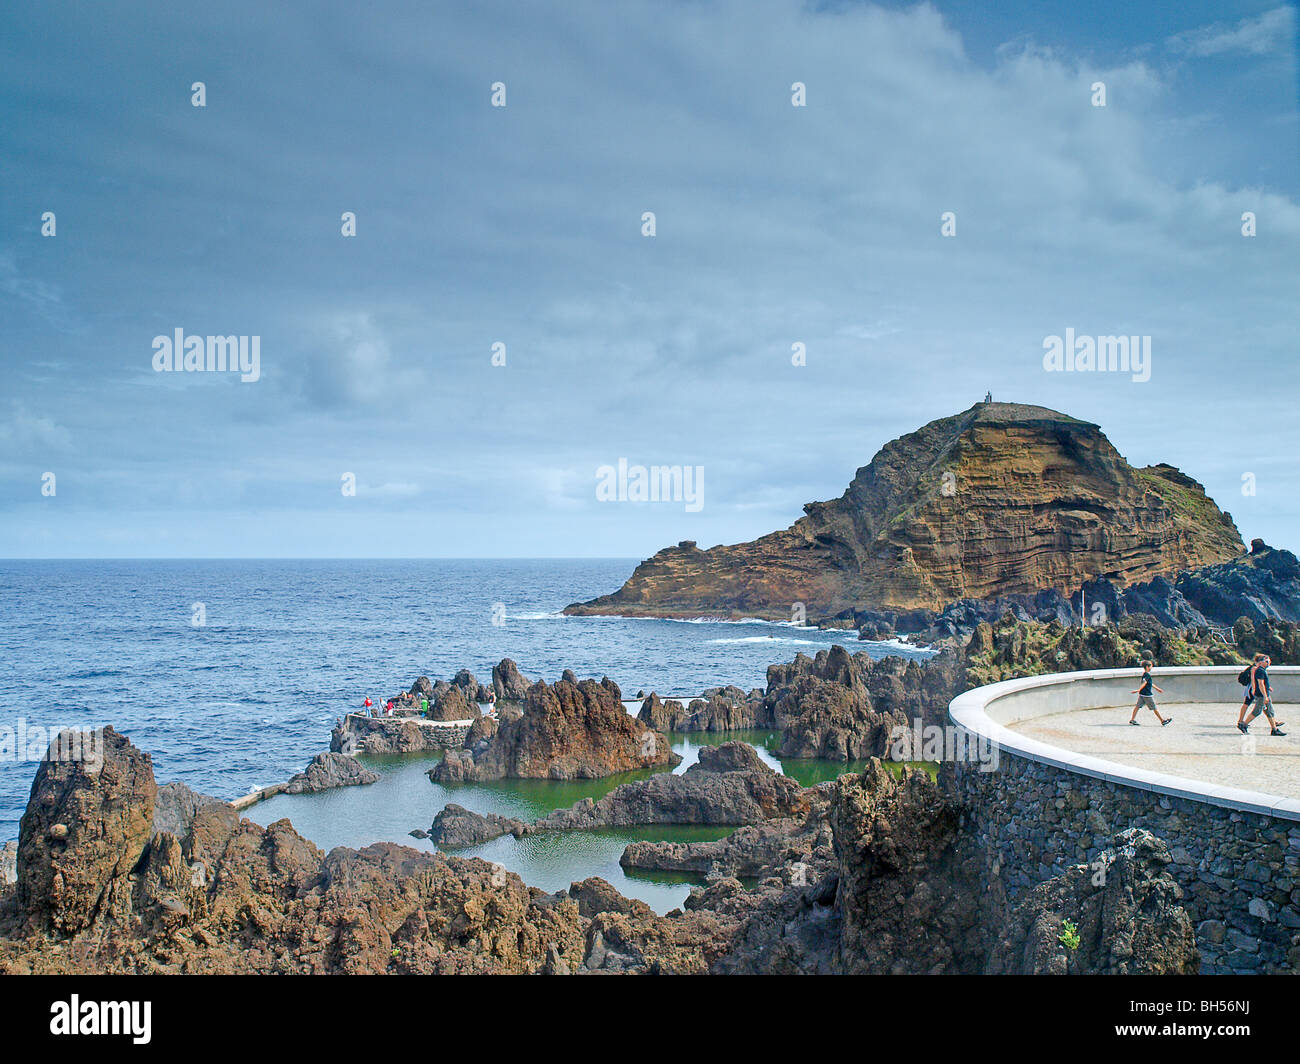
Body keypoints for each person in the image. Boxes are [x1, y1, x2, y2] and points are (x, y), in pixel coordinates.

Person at [1242, 655, 1285, 736]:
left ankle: (1274, 729)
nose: (1268, 663)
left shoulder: (1261, 670)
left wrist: (1268, 688)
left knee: (1270, 712)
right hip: (1262, 696)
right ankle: (1243, 725)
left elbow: (1263, 684)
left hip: (1264, 694)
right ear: (1261, 662)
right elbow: (1260, 684)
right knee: (1257, 711)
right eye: (1267, 661)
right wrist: (1265, 696)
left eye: (1269, 661)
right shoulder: (1260, 671)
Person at [1129, 661, 1170, 726]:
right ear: (1147, 667)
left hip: (1142, 694)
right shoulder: (1147, 675)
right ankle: (1162, 720)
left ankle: (1132, 719)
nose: (1151, 667)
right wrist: (1138, 689)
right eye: (1151, 666)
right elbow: (1144, 683)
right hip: (1147, 695)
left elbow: (1149, 683)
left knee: (1137, 706)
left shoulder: (1145, 674)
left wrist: (1157, 689)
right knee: (1154, 708)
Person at [1236, 654, 1265, 733]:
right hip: (1251, 689)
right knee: (1247, 704)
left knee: (1251, 704)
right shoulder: (1255, 668)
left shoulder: (1253, 667)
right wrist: (1254, 689)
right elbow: (1253, 679)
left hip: (1251, 688)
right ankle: (1241, 721)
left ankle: (1240, 721)